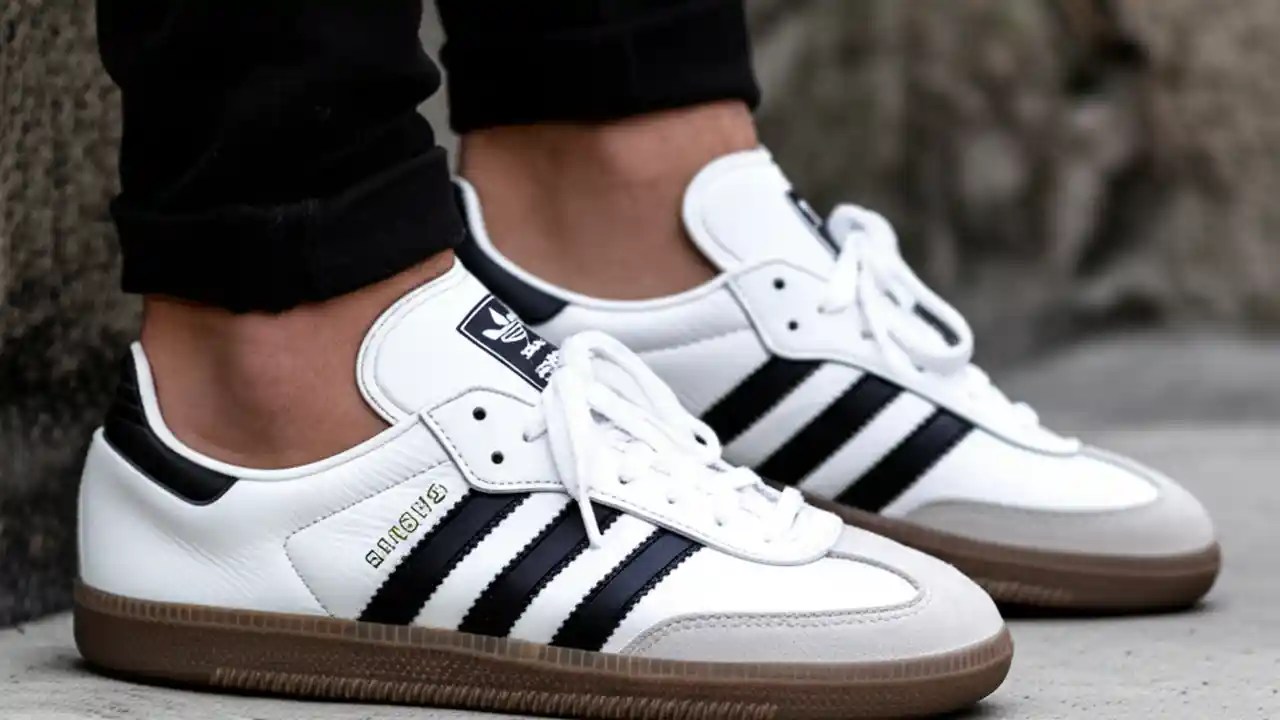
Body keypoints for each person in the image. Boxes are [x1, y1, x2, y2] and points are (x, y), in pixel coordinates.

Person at [74, 2, 1214, 717]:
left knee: (622, 99)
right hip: (273, 324)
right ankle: (281, 351)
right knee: (291, 244)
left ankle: (617, 157)